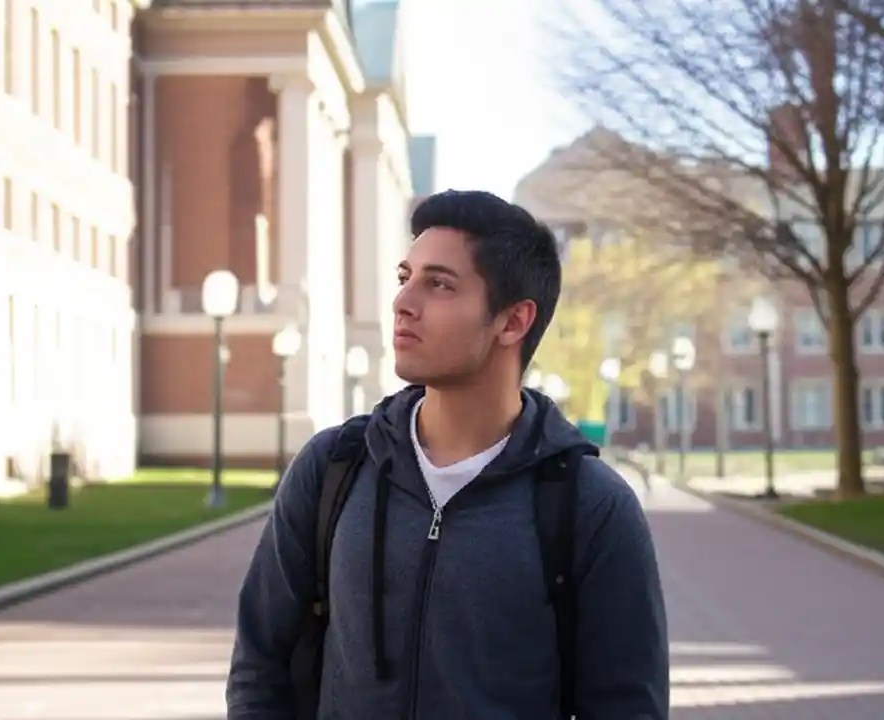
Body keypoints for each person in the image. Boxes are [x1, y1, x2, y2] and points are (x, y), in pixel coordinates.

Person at [226, 189, 669, 719]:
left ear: (512, 322)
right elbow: (259, 665)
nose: (402, 302)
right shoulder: (334, 468)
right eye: (404, 277)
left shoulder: (590, 506)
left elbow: (627, 706)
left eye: (438, 284)